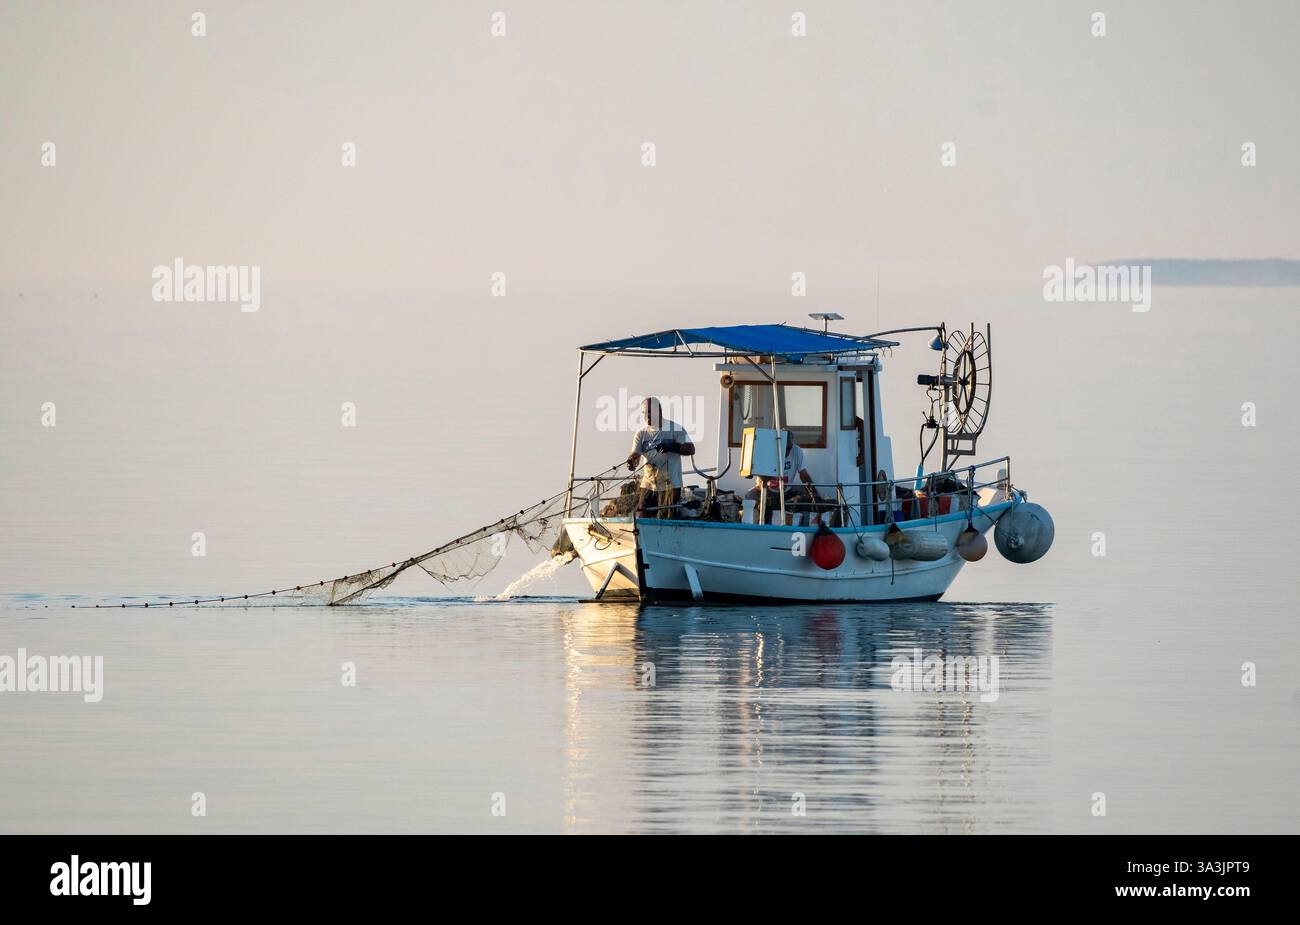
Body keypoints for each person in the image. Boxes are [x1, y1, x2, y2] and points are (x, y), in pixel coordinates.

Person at [627, 397, 695, 517]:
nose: (647, 416)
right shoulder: (641, 434)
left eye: (650, 412)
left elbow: (690, 449)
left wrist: (671, 446)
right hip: (648, 485)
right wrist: (631, 462)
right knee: (642, 519)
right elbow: (635, 455)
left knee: (668, 519)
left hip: (671, 486)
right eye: (644, 413)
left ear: (659, 411)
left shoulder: (675, 429)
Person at [746, 431, 818, 518]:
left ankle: (800, 520)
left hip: (788, 490)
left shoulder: (797, 451)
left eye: (789, 448)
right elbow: (759, 474)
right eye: (784, 448)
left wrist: (814, 494)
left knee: (805, 491)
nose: (787, 451)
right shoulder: (768, 450)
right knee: (750, 495)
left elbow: (803, 474)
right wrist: (770, 480)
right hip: (766, 490)